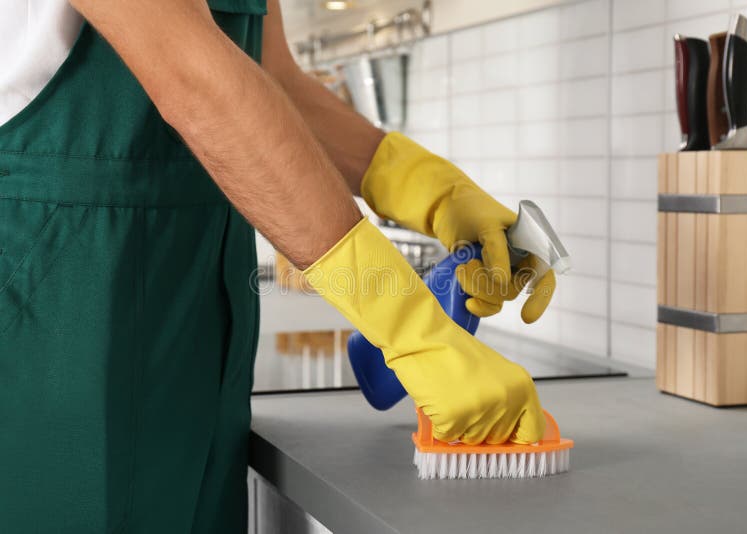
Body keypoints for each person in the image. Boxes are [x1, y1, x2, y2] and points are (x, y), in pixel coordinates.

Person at [0, 0, 558, 532]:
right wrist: (408, 325)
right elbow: (191, 74)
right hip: (64, 295)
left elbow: (271, 78)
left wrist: (428, 188)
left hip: (197, 315)